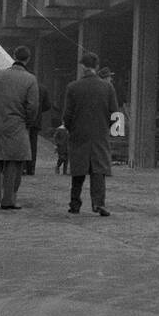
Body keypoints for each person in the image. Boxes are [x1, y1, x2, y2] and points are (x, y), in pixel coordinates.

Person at [62, 51, 118, 216]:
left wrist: (71, 128)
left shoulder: (72, 87)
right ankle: (98, 203)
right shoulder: (107, 87)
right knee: (98, 169)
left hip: (79, 133)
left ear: (82, 66)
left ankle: (75, 203)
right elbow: (115, 114)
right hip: (100, 133)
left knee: (78, 169)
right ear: (97, 66)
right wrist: (106, 127)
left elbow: (67, 115)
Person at [0, 46, 40, 210]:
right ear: (28, 59)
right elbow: (32, 107)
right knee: (14, 165)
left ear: (13, 56)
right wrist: (27, 123)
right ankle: (8, 200)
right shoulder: (30, 79)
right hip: (17, 126)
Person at [25, 83, 53, 176]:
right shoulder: (42, 88)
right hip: (36, 120)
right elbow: (48, 105)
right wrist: (39, 110)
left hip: (23, 119)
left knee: (23, 143)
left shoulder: (24, 85)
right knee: (33, 144)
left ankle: (22, 167)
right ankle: (31, 168)